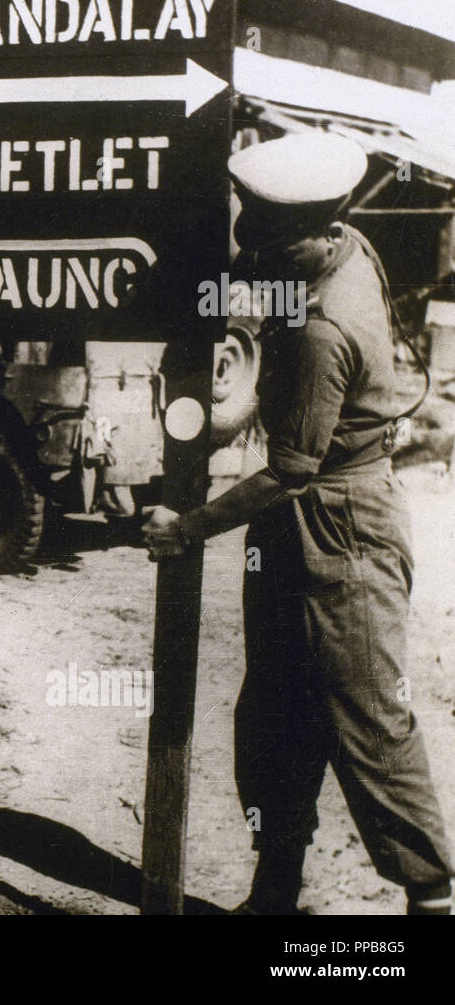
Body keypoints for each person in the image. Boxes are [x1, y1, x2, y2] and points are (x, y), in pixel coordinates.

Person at [143, 132, 452, 916]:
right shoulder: (343, 245)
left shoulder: (324, 325)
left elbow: (289, 471)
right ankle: (275, 889)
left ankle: (432, 896)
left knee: (370, 714)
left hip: (342, 523)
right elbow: (255, 271)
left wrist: (187, 528)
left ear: (315, 228)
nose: (257, 255)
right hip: (297, 523)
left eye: (270, 241)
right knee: (276, 707)